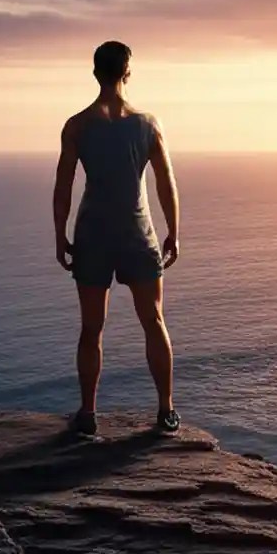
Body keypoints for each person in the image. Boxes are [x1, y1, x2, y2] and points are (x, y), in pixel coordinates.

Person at [53, 41, 181, 436]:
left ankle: (88, 414)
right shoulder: (148, 124)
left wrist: (60, 234)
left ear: (95, 73)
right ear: (128, 71)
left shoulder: (77, 125)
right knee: (154, 321)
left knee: (91, 328)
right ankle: (166, 411)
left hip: (92, 233)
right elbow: (165, 182)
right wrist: (174, 231)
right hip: (137, 233)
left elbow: (63, 186)